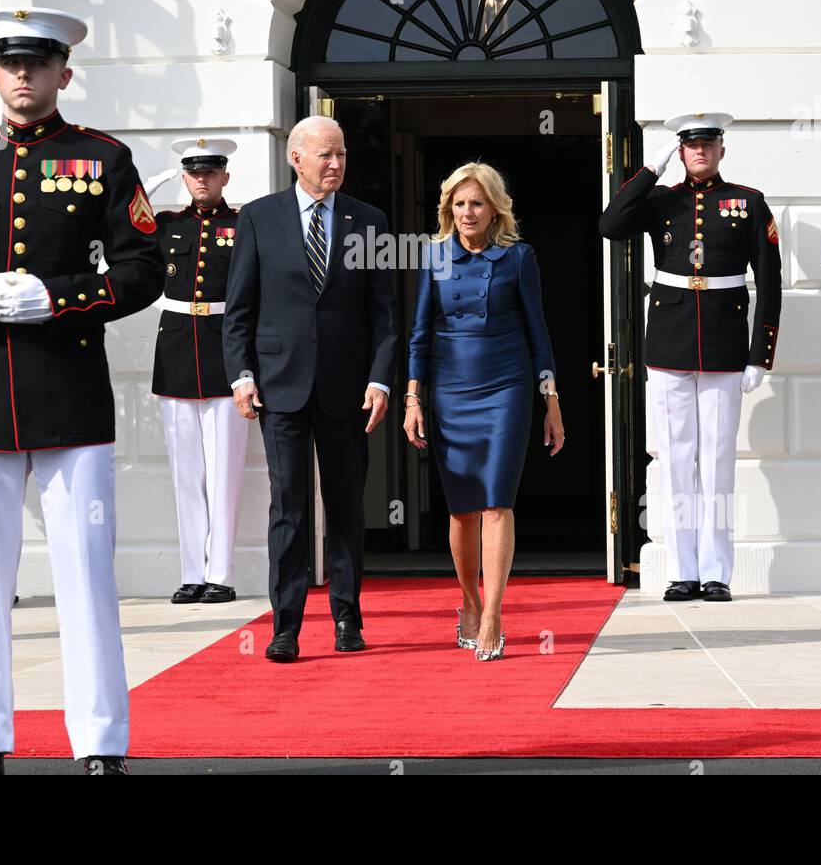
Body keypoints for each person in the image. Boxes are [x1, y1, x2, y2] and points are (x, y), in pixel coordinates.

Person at [0, 8, 165, 775]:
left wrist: (61, 297)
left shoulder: (101, 159)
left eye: (38, 64)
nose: (23, 76)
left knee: (85, 572)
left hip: (70, 395)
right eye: (10, 63)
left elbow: (145, 267)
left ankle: (101, 743)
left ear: (62, 76)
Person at [222, 114, 397, 662]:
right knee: (289, 508)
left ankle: (347, 617)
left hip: (347, 388)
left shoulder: (371, 222)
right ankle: (286, 626)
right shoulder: (258, 218)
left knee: (346, 506)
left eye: (341, 153)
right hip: (280, 388)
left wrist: (380, 378)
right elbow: (239, 311)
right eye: (325, 154)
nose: (336, 164)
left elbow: (386, 315)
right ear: (296, 158)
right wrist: (242, 376)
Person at [599, 113, 781, 603]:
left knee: (718, 461)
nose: (700, 151)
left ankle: (717, 572)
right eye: (690, 145)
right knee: (677, 461)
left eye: (708, 143)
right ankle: (683, 570)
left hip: (724, 344)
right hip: (670, 342)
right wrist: (648, 172)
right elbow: (610, 225)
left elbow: (769, 282)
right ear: (680, 151)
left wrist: (760, 354)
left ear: (721, 149)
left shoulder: (747, 202)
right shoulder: (660, 200)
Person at [403, 163, 562, 662]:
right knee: (462, 508)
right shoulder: (434, 257)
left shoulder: (518, 257)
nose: (467, 212)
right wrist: (413, 398)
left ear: (494, 207)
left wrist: (551, 400)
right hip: (450, 391)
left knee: (497, 501)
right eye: (459, 203)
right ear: (448, 208)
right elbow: (419, 335)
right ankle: (468, 602)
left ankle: (493, 612)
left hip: (508, 389)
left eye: (476, 203)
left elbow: (539, 333)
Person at [146, 136, 249, 604]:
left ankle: (220, 575)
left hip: (226, 350)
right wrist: (151, 186)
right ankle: (192, 572)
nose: (202, 179)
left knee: (224, 472)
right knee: (185, 472)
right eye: (193, 172)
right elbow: (120, 231)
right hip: (176, 350)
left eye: (210, 172)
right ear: (185, 177)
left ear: (225, 176)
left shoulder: (244, 224)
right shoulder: (165, 224)